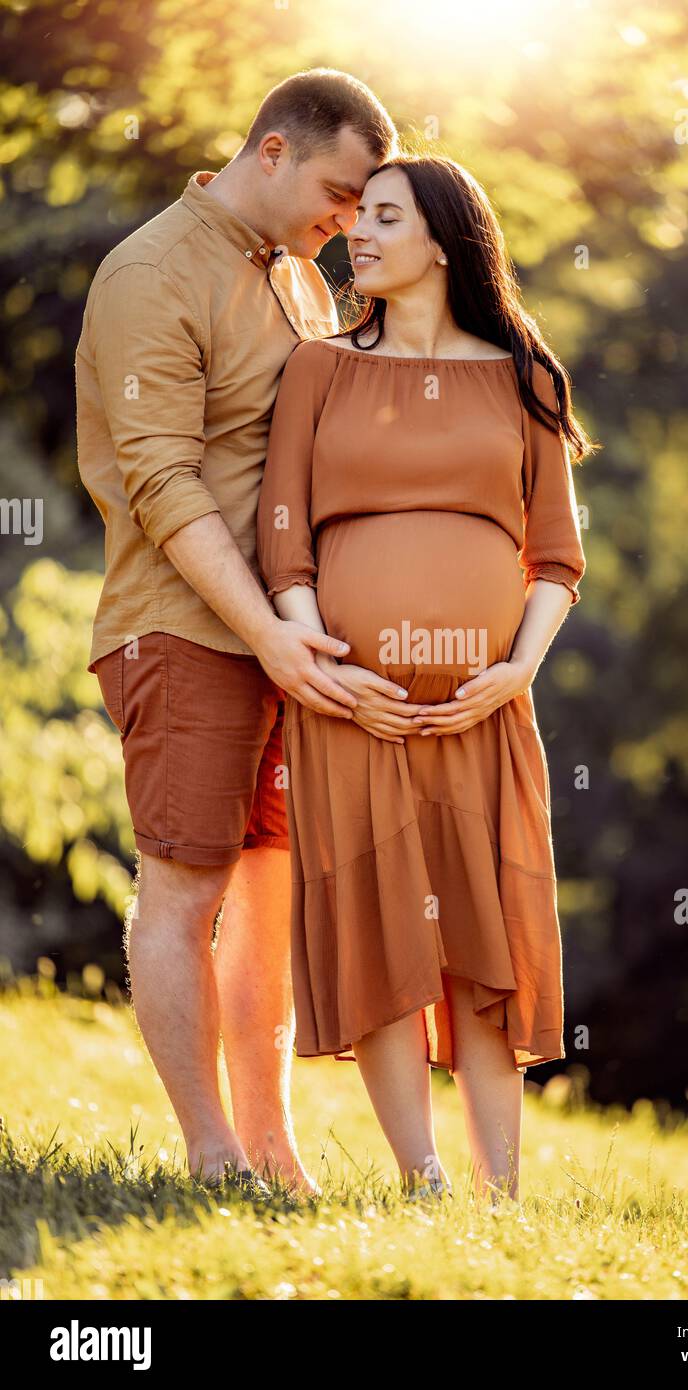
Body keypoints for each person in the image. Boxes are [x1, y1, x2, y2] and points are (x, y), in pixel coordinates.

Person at [75, 69, 398, 1190]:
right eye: (338, 189)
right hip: (183, 630)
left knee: (273, 891)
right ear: (272, 151)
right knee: (187, 884)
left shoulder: (303, 285)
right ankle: (208, 1151)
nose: (349, 218)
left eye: (365, 202)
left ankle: (273, 1151)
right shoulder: (151, 272)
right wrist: (263, 628)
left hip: (286, 637)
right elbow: (162, 482)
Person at [257, 154, 592, 1202]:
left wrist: (511, 673)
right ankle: (424, 1181)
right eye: (356, 215)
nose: (359, 233)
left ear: (442, 241)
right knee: (381, 933)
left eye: (384, 217)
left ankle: (499, 1191)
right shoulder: (317, 368)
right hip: (351, 705)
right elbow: (282, 535)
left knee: (484, 943)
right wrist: (319, 658)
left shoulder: (522, 375)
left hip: (484, 710)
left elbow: (556, 557)